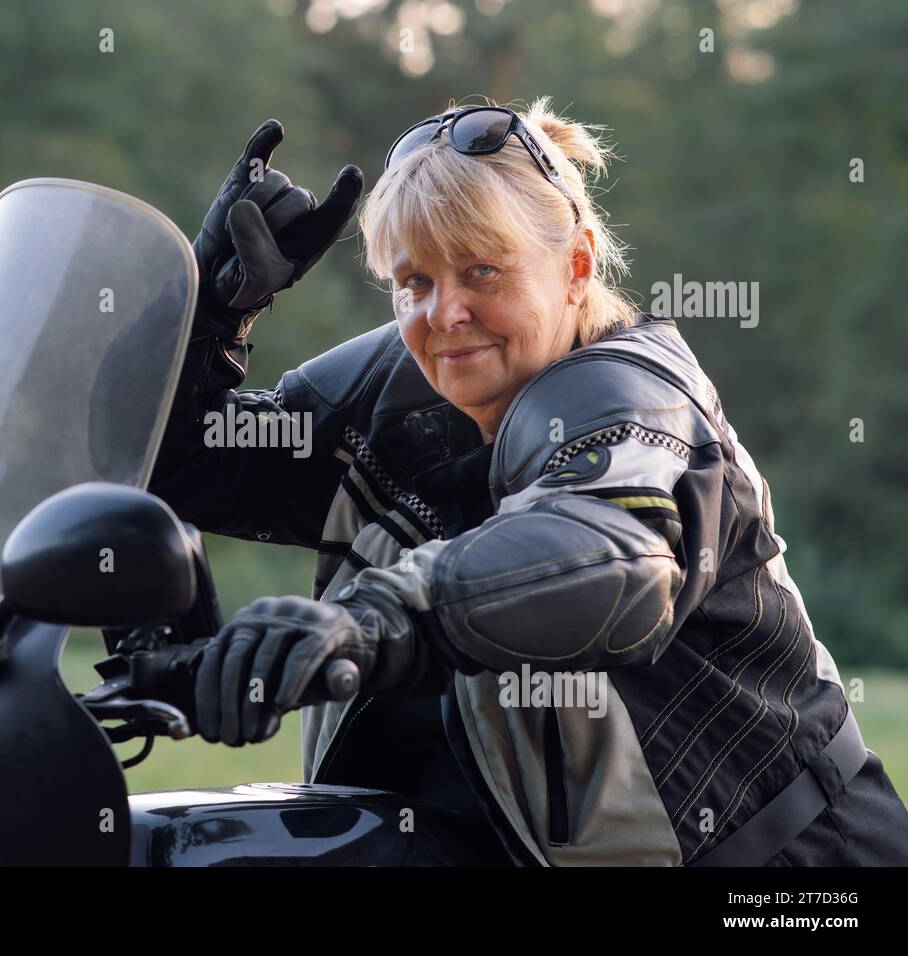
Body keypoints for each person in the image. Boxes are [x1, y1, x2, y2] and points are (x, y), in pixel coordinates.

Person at [148, 100, 908, 866]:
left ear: (576, 266)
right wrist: (208, 311)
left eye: (482, 269)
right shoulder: (397, 391)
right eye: (414, 280)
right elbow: (179, 468)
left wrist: (372, 617)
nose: (445, 313)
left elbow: (607, 559)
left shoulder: (636, 394)